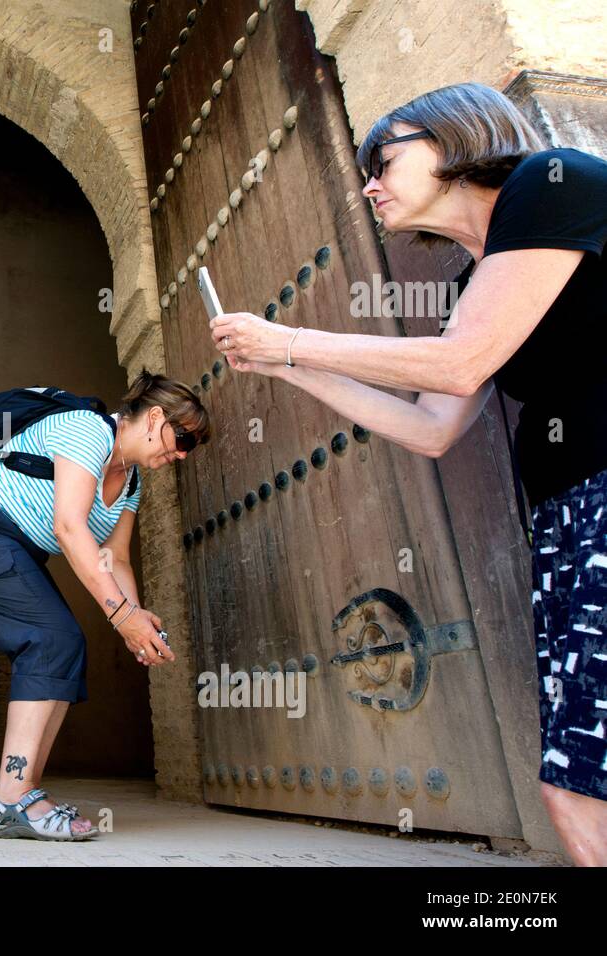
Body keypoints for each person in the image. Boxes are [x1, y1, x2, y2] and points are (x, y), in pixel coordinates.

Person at [206, 83, 607, 865]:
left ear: (455, 139)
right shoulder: (475, 282)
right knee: (577, 783)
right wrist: (282, 368)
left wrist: (290, 341)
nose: (368, 183)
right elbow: (429, 427)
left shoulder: (556, 184)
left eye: (382, 159)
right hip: (567, 523)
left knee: (581, 785)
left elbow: (460, 366)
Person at [0, 372, 210, 840]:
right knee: (51, 638)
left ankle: (23, 791)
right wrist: (124, 616)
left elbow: (113, 557)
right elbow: (70, 529)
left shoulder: (131, 482)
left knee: (64, 645)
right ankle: (10, 799)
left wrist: (135, 623)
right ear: (155, 417)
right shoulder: (88, 430)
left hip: (4, 543)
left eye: (189, 449)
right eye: (182, 440)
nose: (179, 454)